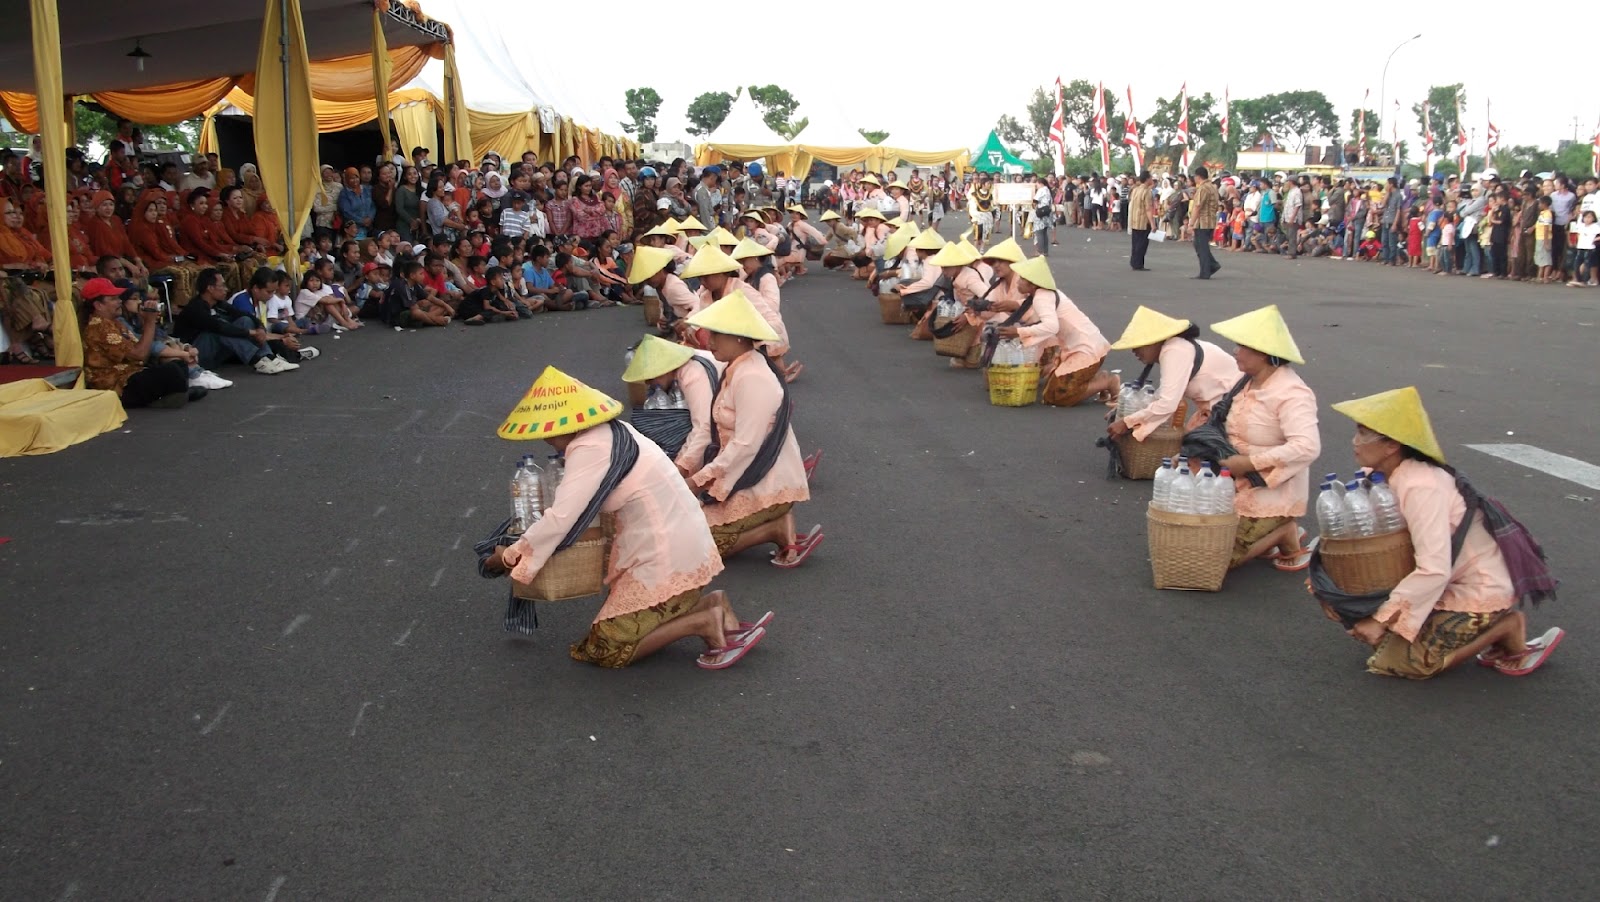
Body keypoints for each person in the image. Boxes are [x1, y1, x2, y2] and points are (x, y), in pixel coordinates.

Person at [492, 367, 769, 669]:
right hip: (678, 537)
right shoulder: (611, 430)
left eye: (549, 429)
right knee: (604, 637)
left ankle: (703, 622)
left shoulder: (588, 448)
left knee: (605, 648)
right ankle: (714, 605)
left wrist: (510, 556)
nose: (546, 437)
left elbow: (562, 518)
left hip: (665, 550)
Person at [1324, 386, 1564, 678]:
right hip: (1443, 581)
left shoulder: (1422, 486)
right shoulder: (1378, 478)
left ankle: (1506, 627)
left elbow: (1434, 569)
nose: (1355, 442)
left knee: (1402, 663)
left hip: (1476, 588)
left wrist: (1380, 620)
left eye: (1363, 434)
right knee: (1362, 623)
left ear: (1392, 446)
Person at [683, 291, 821, 568]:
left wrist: (699, 479)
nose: (709, 341)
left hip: (766, 483)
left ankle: (775, 529)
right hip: (745, 476)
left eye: (716, 335)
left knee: (699, 547)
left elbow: (745, 445)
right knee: (685, 534)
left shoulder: (752, 376)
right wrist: (690, 471)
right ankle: (772, 526)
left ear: (739, 337)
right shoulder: (738, 367)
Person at [1207, 305, 1320, 571]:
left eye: (1242, 346)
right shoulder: (1244, 381)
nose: (1235, 351)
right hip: (1233, 480)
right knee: (1195, 541)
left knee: (1216, 560)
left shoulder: (1292, 393)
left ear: (1264, 353)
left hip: (1272, 491)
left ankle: (1284, 531)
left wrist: (1249, 463)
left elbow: (1307, 447)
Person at [1105, 306, 1244, 441]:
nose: (1134, 351)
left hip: (1237, 410)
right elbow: (1162, 395)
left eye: (1137, 345)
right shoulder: (1175, 347)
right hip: (1223, 408)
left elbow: (1168, 403)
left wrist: (1128, 422)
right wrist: (1126, 413)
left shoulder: (1175, 351)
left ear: (1154, 341)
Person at [1005, 257, 1118, 406]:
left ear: (1032, 284)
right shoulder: (1044, 294)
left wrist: (1019, 332)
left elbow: (1051, 326)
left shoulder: (1041, 298)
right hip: (1088, 344)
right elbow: (1035, 311)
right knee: (1050, 389)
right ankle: (1096, 379)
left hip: (1086, 349)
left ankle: (1107, 382)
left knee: (1056, 396)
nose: (1017, 282)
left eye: (1021, 279)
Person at [79, 278, 203, 408]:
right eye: (113, 299)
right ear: (98, 305)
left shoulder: (114, 323)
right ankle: (173, 395)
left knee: (177, 364)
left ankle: (172, 395)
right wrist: (150, 322)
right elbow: (140, 354)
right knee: (172, 371)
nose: (120, 301)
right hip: (118, 385)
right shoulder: (99, 327)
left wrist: (145, 320)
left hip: (132, 372)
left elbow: (142, 347)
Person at [622, 333, 724, 468]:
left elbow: (704, 427)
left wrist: (681, 466)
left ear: (664, 369)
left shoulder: (693, 374)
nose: (648, 383)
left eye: (651, 378)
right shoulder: (677, 369)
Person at [173, 268, 297, 374]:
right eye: (222, 286)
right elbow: (219, 327)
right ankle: (257, 361)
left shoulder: (219, 304)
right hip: (195, 354)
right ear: (210, 288)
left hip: (217, 353)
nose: (226, 289)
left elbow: (245, 315)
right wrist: (252, 333)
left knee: (244, 320)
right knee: (221, 331)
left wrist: (259, 328)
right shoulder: (196, 308)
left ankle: (269, 357)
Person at [1185, 167, 1222, 279]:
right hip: (1210, 220)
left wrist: (1191, 223)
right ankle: (1212, 265)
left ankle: (1206, 271)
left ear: (1198, 176)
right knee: (1200, 245)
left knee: (1202, 247)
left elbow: (1198, 206)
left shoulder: (1203, 188)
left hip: (1202, 221)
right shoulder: (1212, 187)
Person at [1127, 171, 1157, 271]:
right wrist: (1152, 224)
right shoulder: (1147, 191)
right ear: (1147, 179)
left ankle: (1134, 262)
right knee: (1142, 243)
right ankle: (1138, 263)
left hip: (1135, 219)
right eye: (1151, 178)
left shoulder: (1135, 190)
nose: (1152, 180)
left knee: (1135, 243)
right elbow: (1148, 209)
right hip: (1143, 221)